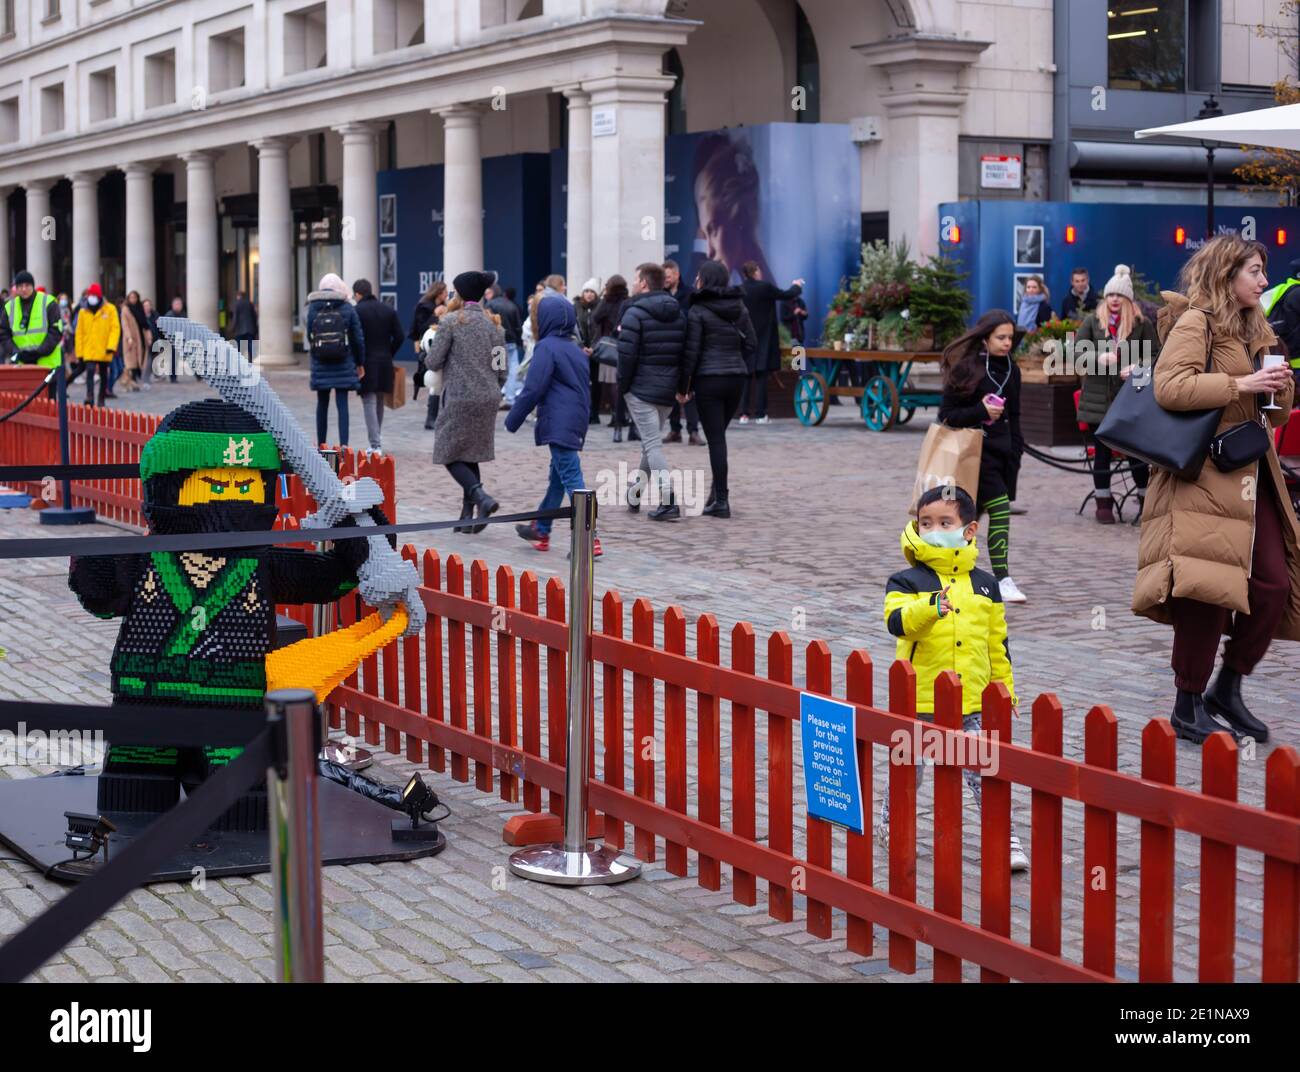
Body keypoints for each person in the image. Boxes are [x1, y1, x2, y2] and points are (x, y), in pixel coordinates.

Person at [1133, 234, 1300, 746]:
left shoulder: (1260, 328)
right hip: (1201, 477)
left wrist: (1279, 385)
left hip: (1253, 474)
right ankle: (1187, 703)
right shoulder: (1195, 321)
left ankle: (1227, 688)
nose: (1264, 281)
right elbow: (1171, 386)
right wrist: (1240, 386)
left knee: (1274, 585)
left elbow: (1272, 413)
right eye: (1254, 271)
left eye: (1263, 271)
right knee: (1206, 591)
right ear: (1226, 274)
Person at [879, 484, 1029, 871]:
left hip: (972, 700)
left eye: (945, 522)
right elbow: (897, 623)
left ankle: (1003, 836)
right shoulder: (907, 580)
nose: (934, 530)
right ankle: (891, 824)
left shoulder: (986, 585)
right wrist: (930, 607)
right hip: (919, 698)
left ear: (969, 530)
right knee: (908, 771)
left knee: (983, 771)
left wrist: (1006, 690)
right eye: (925, 523)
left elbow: (998, 644)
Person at [938, 309, 1026, 603]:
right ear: (985, 339)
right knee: (999, 508)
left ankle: (953, 574)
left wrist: (1016, 451)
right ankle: (1002, 579)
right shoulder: (966, 369)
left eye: (1010, 338)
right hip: (969, 456)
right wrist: (981, 412)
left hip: (1001, 455)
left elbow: (1015, 415)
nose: (1006, 343)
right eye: (1000, 337)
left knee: (968, 519)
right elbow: (947, 416)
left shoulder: (1012, 370)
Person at [507, 295, 602, 557]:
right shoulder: (575, 348)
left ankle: (588, 536)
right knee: (557, 479)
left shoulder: (546, 347)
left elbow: (533, 388)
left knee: (572, 478)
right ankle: (542, 527)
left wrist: (513, 419)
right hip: (575, 419)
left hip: (559, 422)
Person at [1075, 265, 1160, 524]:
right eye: (1110, 295)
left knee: (1136, 453)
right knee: (1101, 454)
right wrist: (1098, 357)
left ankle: (1146, 500)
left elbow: (1157, 357)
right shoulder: (1092, 322)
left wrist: (1138, 369)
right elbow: (1076, 354)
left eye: (1119, 296)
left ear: (1127, 300)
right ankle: (1103, 502)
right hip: (1099, 401)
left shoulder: (1141, 324)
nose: (1113, 300)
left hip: (1130, 401)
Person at [424, 270, 506, 533]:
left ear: (459, 294)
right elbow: (501, 368)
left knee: (448, 451)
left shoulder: (450, 322)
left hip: (460, 395)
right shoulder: (494, 324)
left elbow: (434, 361)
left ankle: (480, 497)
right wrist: (491, 386)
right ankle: (468, 515)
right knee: (469, 453)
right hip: (488, 396)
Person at [678, 259, 756, 519]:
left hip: (709, 379)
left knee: (716, 439)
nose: (696, 280)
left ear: (705, 280)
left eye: (699, 276)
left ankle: (721, 499)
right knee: (718, 437)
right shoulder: (739, 307)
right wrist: (735, 362)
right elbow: (751, 344)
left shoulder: (698, 310)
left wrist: (684, 387)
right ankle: (716, 494)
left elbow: (692, 353)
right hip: (736, 378)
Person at [618, 262, 688, 521]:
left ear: (644, 283)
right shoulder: (679, 314)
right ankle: (635, 494)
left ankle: (669, 501)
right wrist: (681, 387)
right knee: (650, 444)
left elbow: (626, 356)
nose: (633, 283)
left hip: (641, 390)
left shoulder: (634, 314)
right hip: (666, 391)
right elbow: (686, 355)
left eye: (636, 279)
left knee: (652, 445)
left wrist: (623, 388)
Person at [305, 272, 365, 447]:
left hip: (320, 361)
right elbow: (357, 338)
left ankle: (322, 444)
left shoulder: (313, 308)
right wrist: (360, 362)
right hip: (343, 361)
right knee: (342, 404)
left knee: (322, 403)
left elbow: (310, 334)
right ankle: (344, 446)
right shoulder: (347, 307)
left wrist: (320, 350)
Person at [739, 261, 803, 424]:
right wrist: (796, 285)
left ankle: (744, 415)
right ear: (755, 271)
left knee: (746, 377)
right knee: (761, 376)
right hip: (763, 338)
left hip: (745, 338)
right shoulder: (765, 287)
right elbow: (787, 294)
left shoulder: (740, 289)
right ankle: (761, 415)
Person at [352, 278, 404, 453]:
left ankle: (375, 444)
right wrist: (389, 353)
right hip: (384, 361)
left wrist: (357, 361)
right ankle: (376, 439)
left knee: (369, 401)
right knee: (379, 400)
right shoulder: (388, 310)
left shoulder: (357, 311)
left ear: (358, 294)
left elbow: (355, 339)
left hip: (366, 361)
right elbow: (400, 336)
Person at [663, 259, 702, 446]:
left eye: (668, 276)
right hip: (668, 348)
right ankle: (674, 429)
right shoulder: (660, 295)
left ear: (677, 275)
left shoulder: (690, 294)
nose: (666, 280)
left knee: (689, 389)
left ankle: (693, 431)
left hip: (686, 347)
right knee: (671, 390)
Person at [593, 275, 632, 441]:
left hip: (610, 347)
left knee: (613, 385)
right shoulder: (629, 301)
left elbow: (595, 317)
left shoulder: (607, 302)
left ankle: (617, 418)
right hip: (628, 345)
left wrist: (603, 297)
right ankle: (624, 416)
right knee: (624, 385)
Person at [2, 270, 62, 370]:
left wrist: (38, 353)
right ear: (16, 288)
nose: (24, 289)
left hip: (47, 364)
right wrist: (16, 352)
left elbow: (56, 332)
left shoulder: (48, 302)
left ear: (33, 286)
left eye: (27, 285)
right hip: (21, 365)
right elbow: (3, 334)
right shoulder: (9, 307)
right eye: (20, 286)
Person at [410, 280, 448, 427]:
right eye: (445, 291)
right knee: (434, 380)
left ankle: (435, 416)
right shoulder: (424, 307)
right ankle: (431, 417)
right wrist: (435, 314)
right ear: (439, 292)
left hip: (439, 346)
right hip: (429, 347)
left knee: (437, 382)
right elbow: (420, 327)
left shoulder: (443, 307)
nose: (446, 294)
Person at [74, 284, 120, 406]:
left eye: (94, 295)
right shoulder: (83, 311)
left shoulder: (110, 309)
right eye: (90, 295)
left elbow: (115, 329)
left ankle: (101, 397)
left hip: (104, 348)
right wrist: (79, 352)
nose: (91, 298)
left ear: (99, 296)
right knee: (90, 371)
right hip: (89, 348)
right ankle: (90, 396)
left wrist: (111, 346)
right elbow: (79, 332)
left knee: (104, 373)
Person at [486, 283, 524, 408]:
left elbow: (488, 326)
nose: (486, 296)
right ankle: (510, 398)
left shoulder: (490, 305)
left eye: (488, 293)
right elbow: (518, 327)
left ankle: (496, 398)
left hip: (498, 343)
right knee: (512, 371)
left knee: (497, 371)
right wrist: (519, 341)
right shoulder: (511, 305)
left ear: (494, 292)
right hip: (511, 343)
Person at [574, 278, 602, 423]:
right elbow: (574, 329)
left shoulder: (601, 307)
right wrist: (581, 346)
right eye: (586, 291)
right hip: (581, 350)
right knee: (582, 382)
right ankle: (583, 411)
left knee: (596, 383)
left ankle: (595, 413)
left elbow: (601, 330)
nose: (589, 294)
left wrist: (594, 347)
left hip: (596, 351)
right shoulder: (576, 306)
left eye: (592, 291)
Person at [118, 290, 152, 393]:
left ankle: (133, 381)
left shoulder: (139, 308)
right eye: (131, 297)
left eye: (135, 297)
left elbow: (145, 324)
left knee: (139, 361)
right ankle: (131, 381)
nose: (133, 299)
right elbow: (125, 324)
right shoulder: (125, 309)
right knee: (130, 362)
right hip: (130, 339)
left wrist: (149, 337)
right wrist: (129, 337)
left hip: (140, 338)